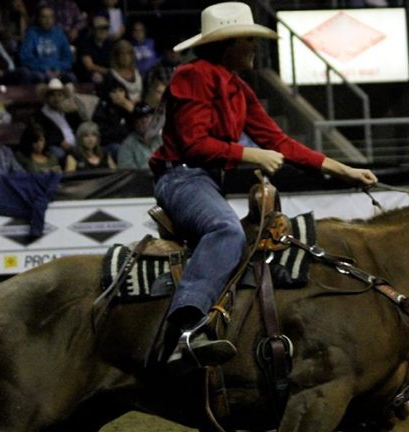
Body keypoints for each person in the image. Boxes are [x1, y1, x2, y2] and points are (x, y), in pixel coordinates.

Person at [150, 2, 377, 369]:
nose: (254, 47)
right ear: (229, 45)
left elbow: (279, 142)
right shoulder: (193, 76)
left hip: (203, 180)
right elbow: (193, 143)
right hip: (181, 177)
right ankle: (185, 327)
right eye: (248, 40)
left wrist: (342, 169)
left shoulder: (238, 88)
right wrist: (252, 156)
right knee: (225, 230)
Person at [19, 5, 75, 83]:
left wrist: (59, 69)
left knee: (71, 78)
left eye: (50, 17)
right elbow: (25, 57)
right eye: (44, 17)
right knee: (39, 78)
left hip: (58, 70)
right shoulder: (32, 33)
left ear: (54, 19)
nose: (47, 20)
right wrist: (45, 69)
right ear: (39, 19)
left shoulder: (59, 33)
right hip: (39, 71)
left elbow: (68, 57)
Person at [33, 78, 82, 160]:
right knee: (59, 153)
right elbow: (41, 134)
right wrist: (59, 142)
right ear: (47, 97)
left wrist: (75, 113)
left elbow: (80, 127)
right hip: (55, 146)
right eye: (53, 95)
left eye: (59, 95)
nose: (56, 99)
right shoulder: (40, 114)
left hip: (75, 144)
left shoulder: (68, 112)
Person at [117, 103, 158, 169]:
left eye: (147, 116)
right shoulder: (127, 146)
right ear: (134, 123)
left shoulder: (163, 139)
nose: (144, 120)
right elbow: (127, 173)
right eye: (140, 118)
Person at [76, 15, 114, 84]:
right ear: (93, 30)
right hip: (88, 75)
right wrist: (109, 72)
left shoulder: (110, 44)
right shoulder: (85, 43)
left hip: (107, 73)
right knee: (97, 77)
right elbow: (90, 66)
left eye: (105, 28)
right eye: (100, 28)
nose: (103, 31)